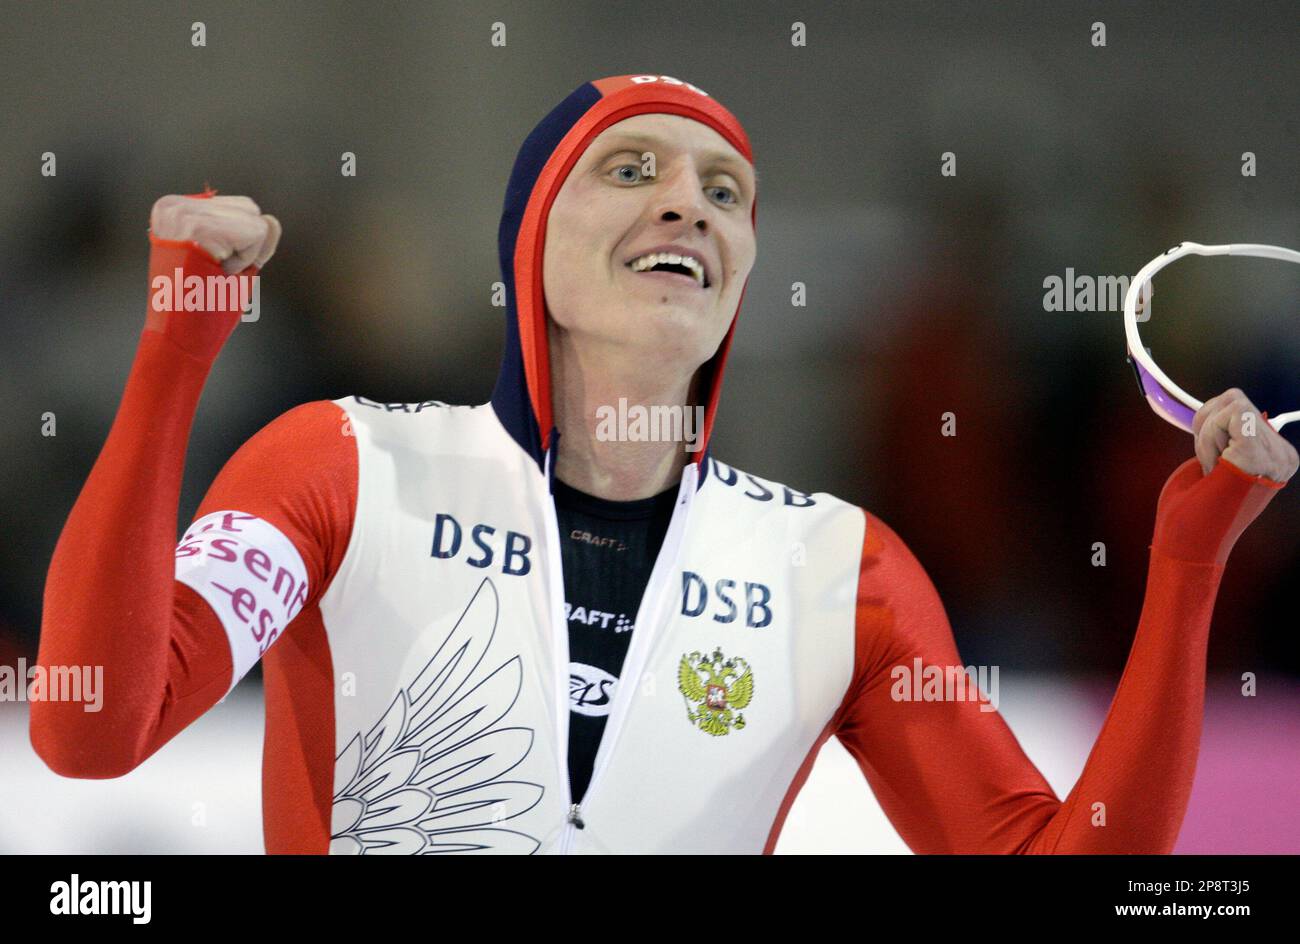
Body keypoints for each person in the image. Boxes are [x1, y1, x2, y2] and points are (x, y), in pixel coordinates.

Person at [31, 74, 1296, 854]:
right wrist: (175, 351)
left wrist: (1184, 568)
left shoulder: (837, 570)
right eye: (630, 171)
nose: (689, 203)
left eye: (725, 190)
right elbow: (91, 730)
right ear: (533, 242)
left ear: (741, 267)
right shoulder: (345, 465)